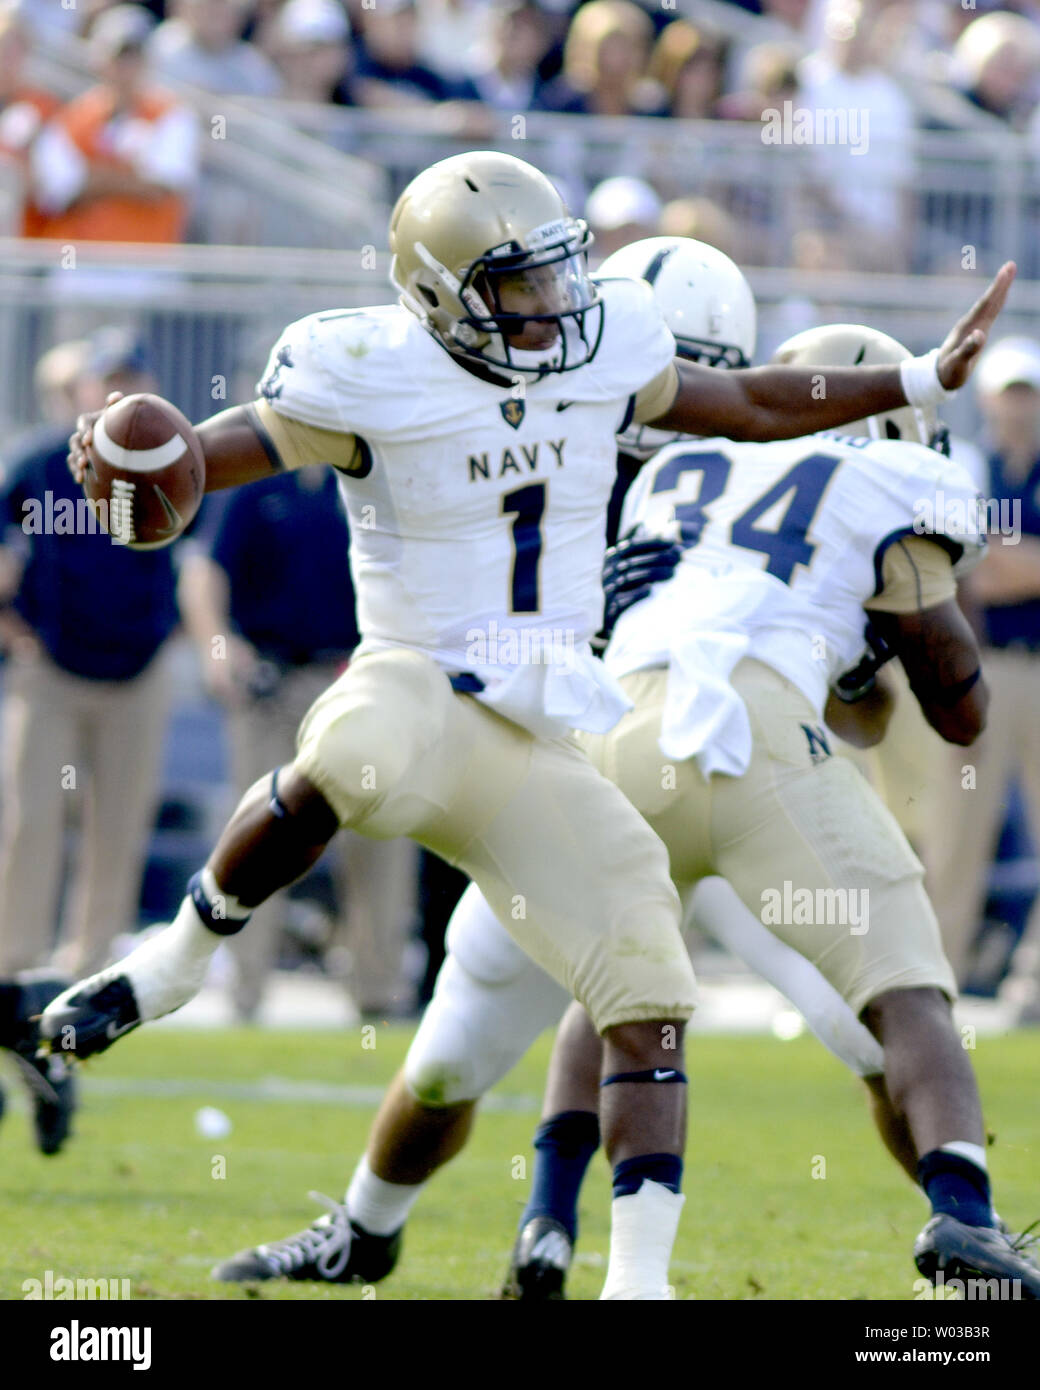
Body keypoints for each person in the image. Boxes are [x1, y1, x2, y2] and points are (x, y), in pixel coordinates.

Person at [43, 151, 1011, 1300]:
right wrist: (139, 482)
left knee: (645, 976)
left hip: (547, 732)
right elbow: (210, 460)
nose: (553, 307)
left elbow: (752, 402)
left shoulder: (604, 346)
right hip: (416, 677)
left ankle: (627, 1284)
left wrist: (910, 375)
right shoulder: (363, 366)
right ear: (439, 294)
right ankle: (176, 959)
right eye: (519, 286)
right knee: (352, 750)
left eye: (558, 276)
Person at [0, 328, 180, 1154]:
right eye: (102, 380)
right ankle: (12, 969)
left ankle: (87, 977)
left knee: (119, 827)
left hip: (136, 668)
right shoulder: (39, 462)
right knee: (31, 818)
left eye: (126, 379)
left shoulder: (165, 458)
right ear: (72, 389)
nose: (113, 394)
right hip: (54, 665)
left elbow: (191, 558)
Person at [178, 465, 418, 1021]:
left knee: (381, 833)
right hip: (272, 682)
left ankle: (378, 993)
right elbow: (204, 570)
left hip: (357, 678)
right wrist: (217, 648)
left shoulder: (374, 478)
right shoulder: (254, 482)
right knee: (260, 838)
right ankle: (245, 993)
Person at [924, 336, 1040, 1014]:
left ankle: (1032, 988)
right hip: (983, 666)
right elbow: (971, 571)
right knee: (955, 830)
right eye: (1009, 392)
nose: (1017, 407)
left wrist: (1001, 561)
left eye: (1027, 393)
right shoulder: (969, 467)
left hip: (1032, 665)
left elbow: (987, 563)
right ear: (989, 399)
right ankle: (934, 980)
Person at [30, 4, 199, 245]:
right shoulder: (74, 116)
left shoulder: (172, 114)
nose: (125, 69)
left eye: (134, 57)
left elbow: (160, 188)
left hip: (147, 265)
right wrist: (130, 178)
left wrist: (93, 178)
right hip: (82, 262)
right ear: (98, 61)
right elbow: (55, 191)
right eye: (118, 57)